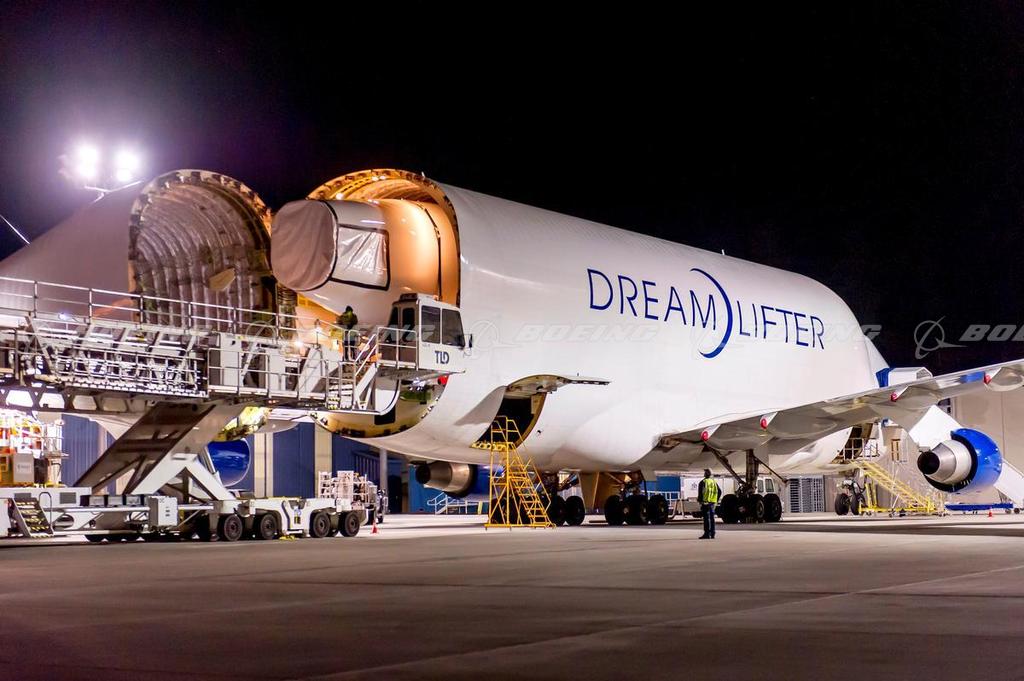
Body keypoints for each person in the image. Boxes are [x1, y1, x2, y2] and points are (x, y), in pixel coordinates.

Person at [698, 469, 720, 539]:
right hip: (713, 502)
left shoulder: (703, 482)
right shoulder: (713, 482)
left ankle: (707, 534)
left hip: (705, 502)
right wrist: (715, 499)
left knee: (706, 519)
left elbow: (700, 493)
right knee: (712, 518)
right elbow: (719, 491)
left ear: (705, 474)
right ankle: (712, 533)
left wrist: (700, 501)